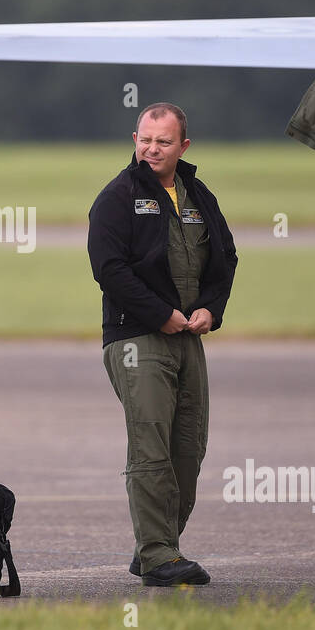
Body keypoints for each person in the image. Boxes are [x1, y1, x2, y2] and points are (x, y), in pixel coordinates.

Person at [87, 102, 237, 587]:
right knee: (150, 447)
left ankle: (157, 545)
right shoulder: (117, 197)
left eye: (164, 142)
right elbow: (109, 270)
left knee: (188, 448)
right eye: (145, 140)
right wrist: (160, 314)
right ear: (135, 139)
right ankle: (158, 557)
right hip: (137, 339)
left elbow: (226, 257)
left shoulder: (198, 195)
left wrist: (210, 308)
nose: (152, 149)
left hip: (189, 338)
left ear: (183, 146)